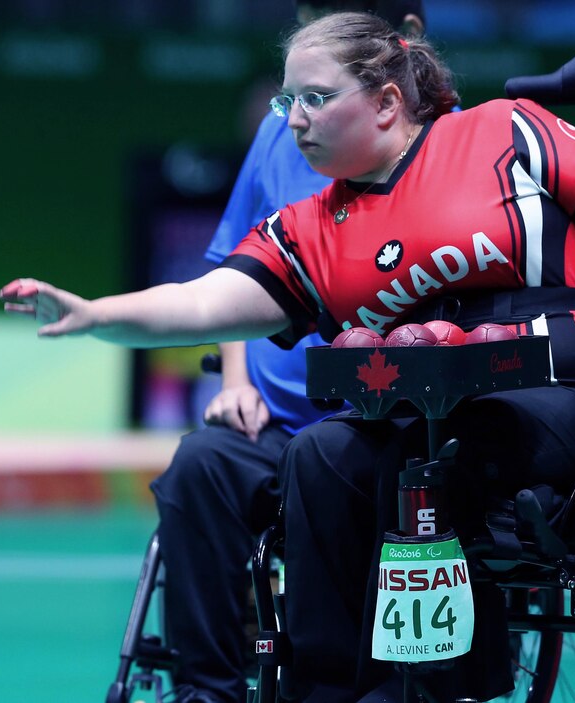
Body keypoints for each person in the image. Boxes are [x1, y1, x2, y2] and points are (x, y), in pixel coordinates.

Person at [1, 11, 575, 702]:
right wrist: (94, 314)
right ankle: (325, 688)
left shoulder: (499, 130)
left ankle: (429, 684)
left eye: (315, 99)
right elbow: (206, 302)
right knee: (323, 453)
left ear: (387, 102)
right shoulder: (313, 227)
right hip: (444, 409)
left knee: (428, 459)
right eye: (286, 101)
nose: (294, 119)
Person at [151, 4, 430, 702]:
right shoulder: (283, 133)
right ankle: (207, 689)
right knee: (200, 464)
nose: (301, 114)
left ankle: (322, 689)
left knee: (324, 464)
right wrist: (235, 378)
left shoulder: (447, 148)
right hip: (271, 420)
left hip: (380, 434)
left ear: (402, 36)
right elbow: (230, 271)